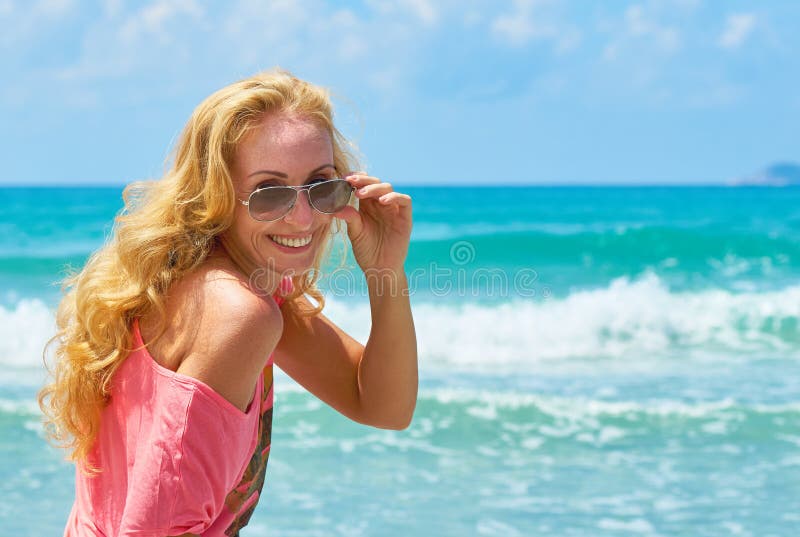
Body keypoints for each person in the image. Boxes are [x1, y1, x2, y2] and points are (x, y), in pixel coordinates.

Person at [38, 69, 418, 536]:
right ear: (217, 194)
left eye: (322, 186)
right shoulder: (239, 314)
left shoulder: (204, 277)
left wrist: (385, 270)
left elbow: (381, 405)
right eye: (269, 193)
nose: (302, 217)